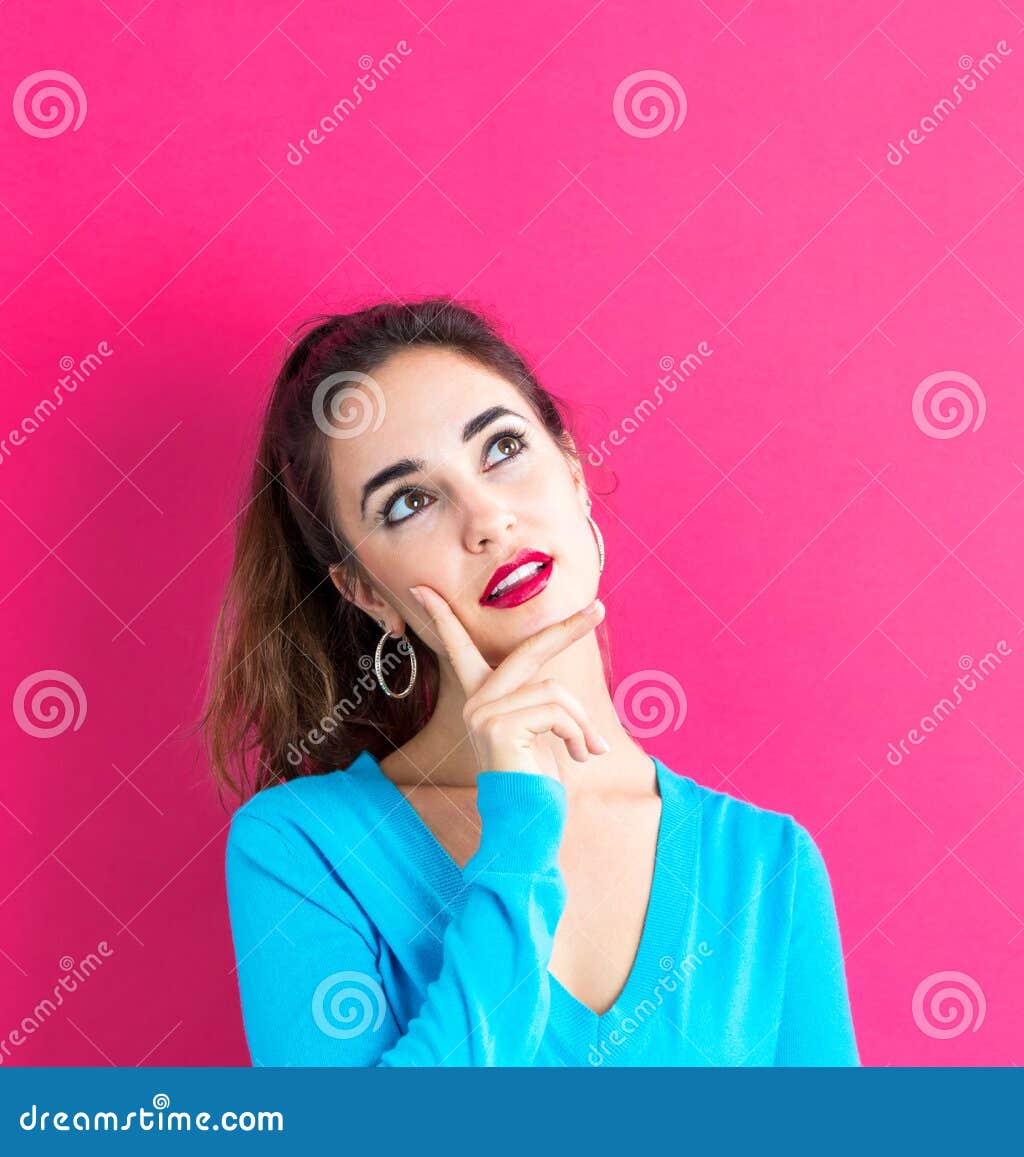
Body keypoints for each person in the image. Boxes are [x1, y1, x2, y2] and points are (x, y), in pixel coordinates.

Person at [199, 298, 859, 1065]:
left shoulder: (764, 862)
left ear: (574, 473)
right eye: (410, 501)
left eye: (504, 448)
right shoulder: (301, 845)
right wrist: (519, 829)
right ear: (366, 591)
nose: (485, 520)